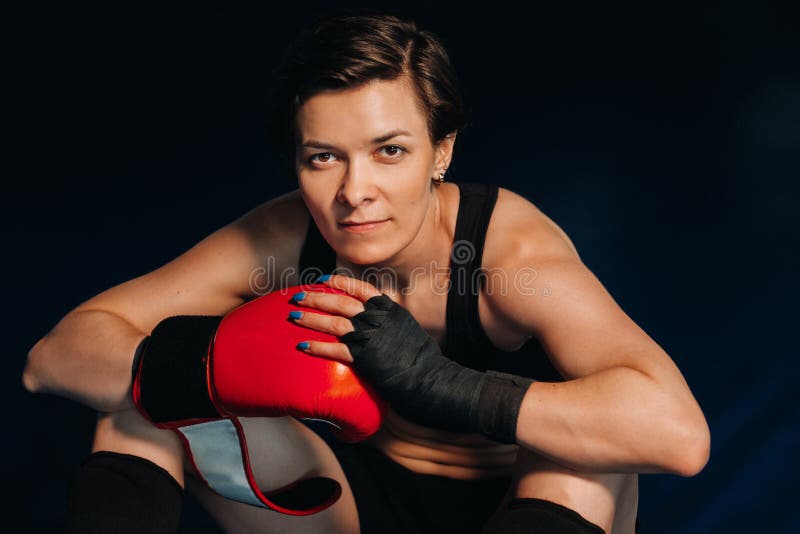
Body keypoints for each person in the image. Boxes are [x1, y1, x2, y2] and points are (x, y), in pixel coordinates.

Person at [23, 9, 710, 534]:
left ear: (441, 151)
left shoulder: (509, 257)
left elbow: (680, 437)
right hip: (352, 509)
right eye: (324, 157)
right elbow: (52, 358)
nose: (355, 192)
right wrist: (210, 366)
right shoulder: (284, 235)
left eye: (389, 151)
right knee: (145, 407)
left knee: (588, 460)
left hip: (518, 510)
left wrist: (441, 384)